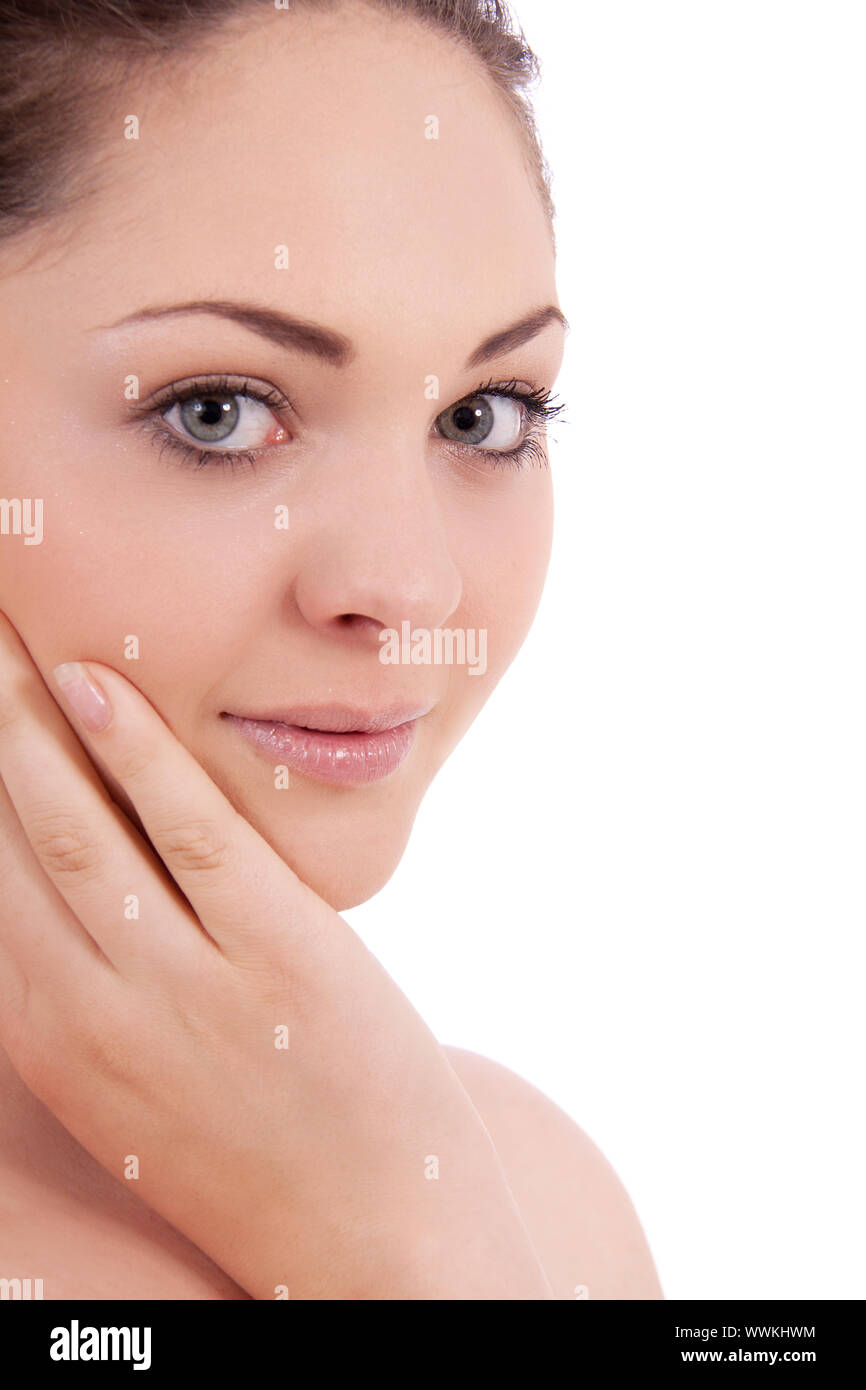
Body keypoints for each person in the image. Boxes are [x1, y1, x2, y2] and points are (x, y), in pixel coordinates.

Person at [0, 0, 662, 1299]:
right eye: (219, 411)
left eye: (483, 415)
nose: (408, 586)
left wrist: (406, 1242)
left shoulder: (525, 1199)